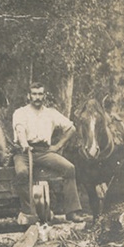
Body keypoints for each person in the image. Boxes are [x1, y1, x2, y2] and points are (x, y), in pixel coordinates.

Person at [12, 82, 89, 224]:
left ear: (44, 96)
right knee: (22, 173)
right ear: (29, 96)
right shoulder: (21, 112)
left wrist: (58, 146)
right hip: (23, 152)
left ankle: (72, 212)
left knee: (69, 168)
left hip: (44, 151)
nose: (37, 97)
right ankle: (29, 211)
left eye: (40, 94)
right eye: (34, 94)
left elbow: (71, 128)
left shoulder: (50, 113)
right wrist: (24, 144)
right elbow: (20, 129)